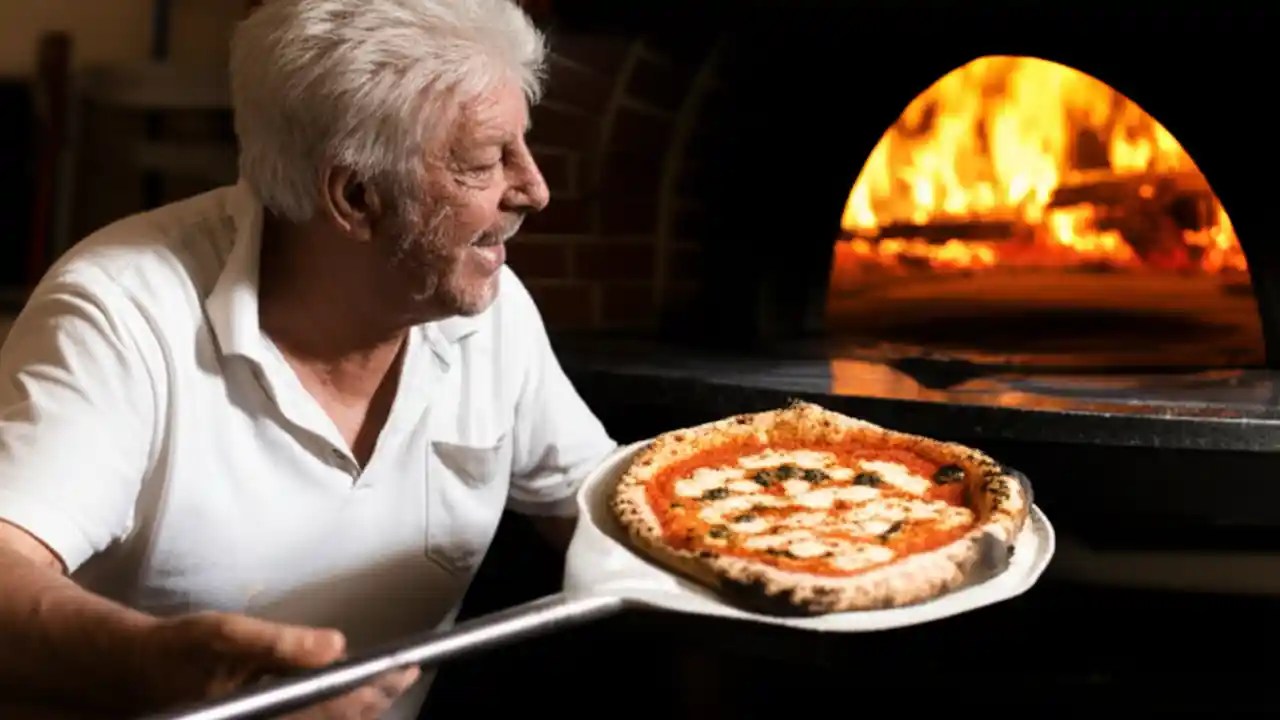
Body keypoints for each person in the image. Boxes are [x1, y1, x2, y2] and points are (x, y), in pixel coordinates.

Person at [0, 0, 617, 717]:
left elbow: (617, 516)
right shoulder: (120, 311)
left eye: (524, 143)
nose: (534, 188)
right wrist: (157, 668)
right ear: (355, 196)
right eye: (486, 161)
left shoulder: (491, 310)